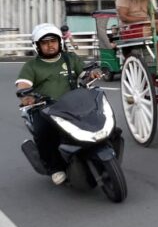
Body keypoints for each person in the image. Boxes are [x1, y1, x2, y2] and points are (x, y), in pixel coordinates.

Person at [15, 23, 102, 185]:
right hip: (45, 109)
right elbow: (23, 85)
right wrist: (27, 95)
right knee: (43, 132)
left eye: (53, 41)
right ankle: (54, 167)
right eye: (45, 42)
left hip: (74, 103)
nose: (50, 45)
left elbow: (85, 73)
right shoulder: (31, 66)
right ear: (37, 46)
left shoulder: (70, 58)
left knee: (99, 118)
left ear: (59, 42)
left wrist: (92, 74)